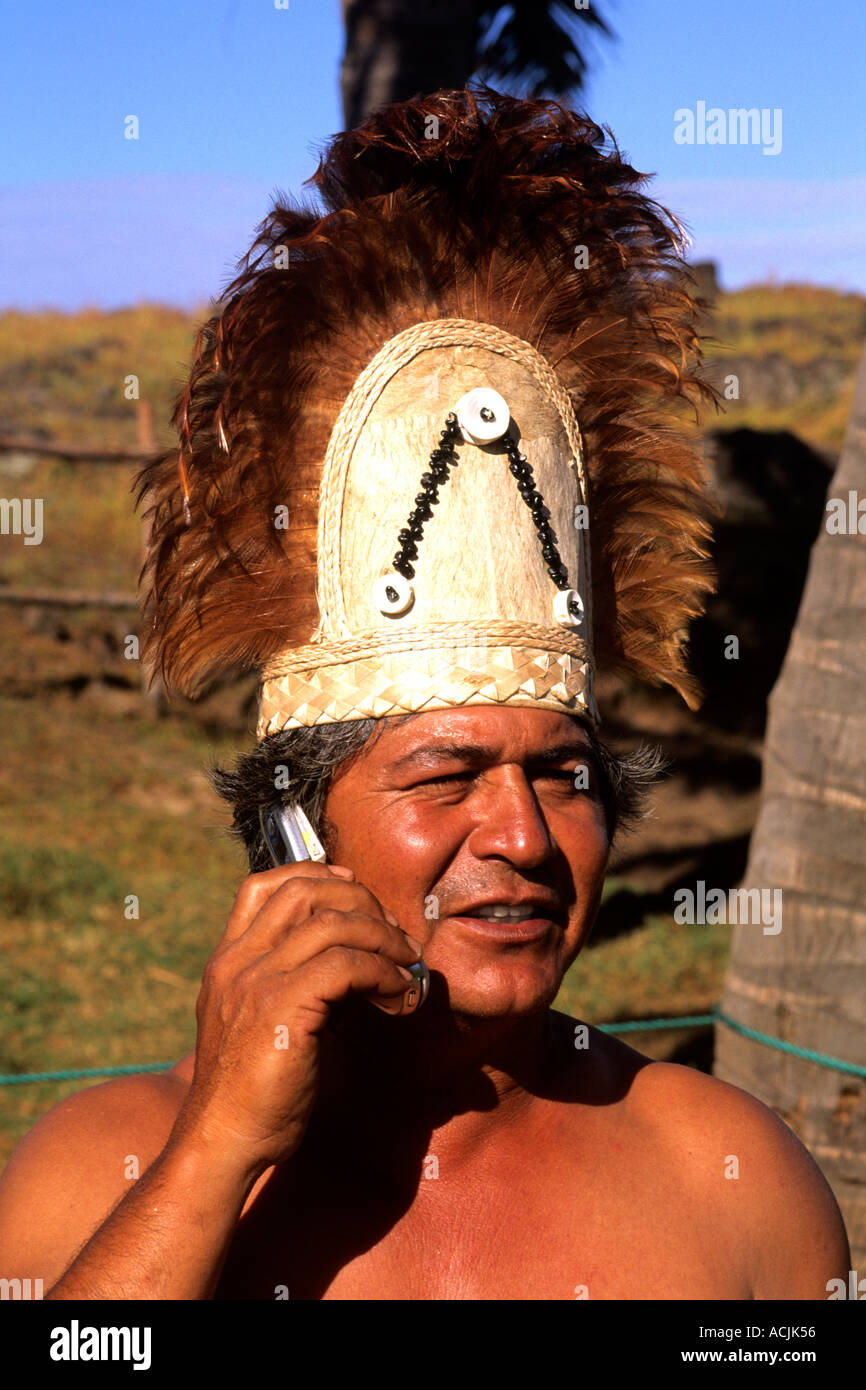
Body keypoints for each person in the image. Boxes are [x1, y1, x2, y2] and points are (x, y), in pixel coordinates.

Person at [0, 87, 849, 1299]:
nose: (521, 837)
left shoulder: (729, 1181)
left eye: (563, 774)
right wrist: (216, 1149)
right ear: (295, 825)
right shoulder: (101, 1174)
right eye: (446, 773)